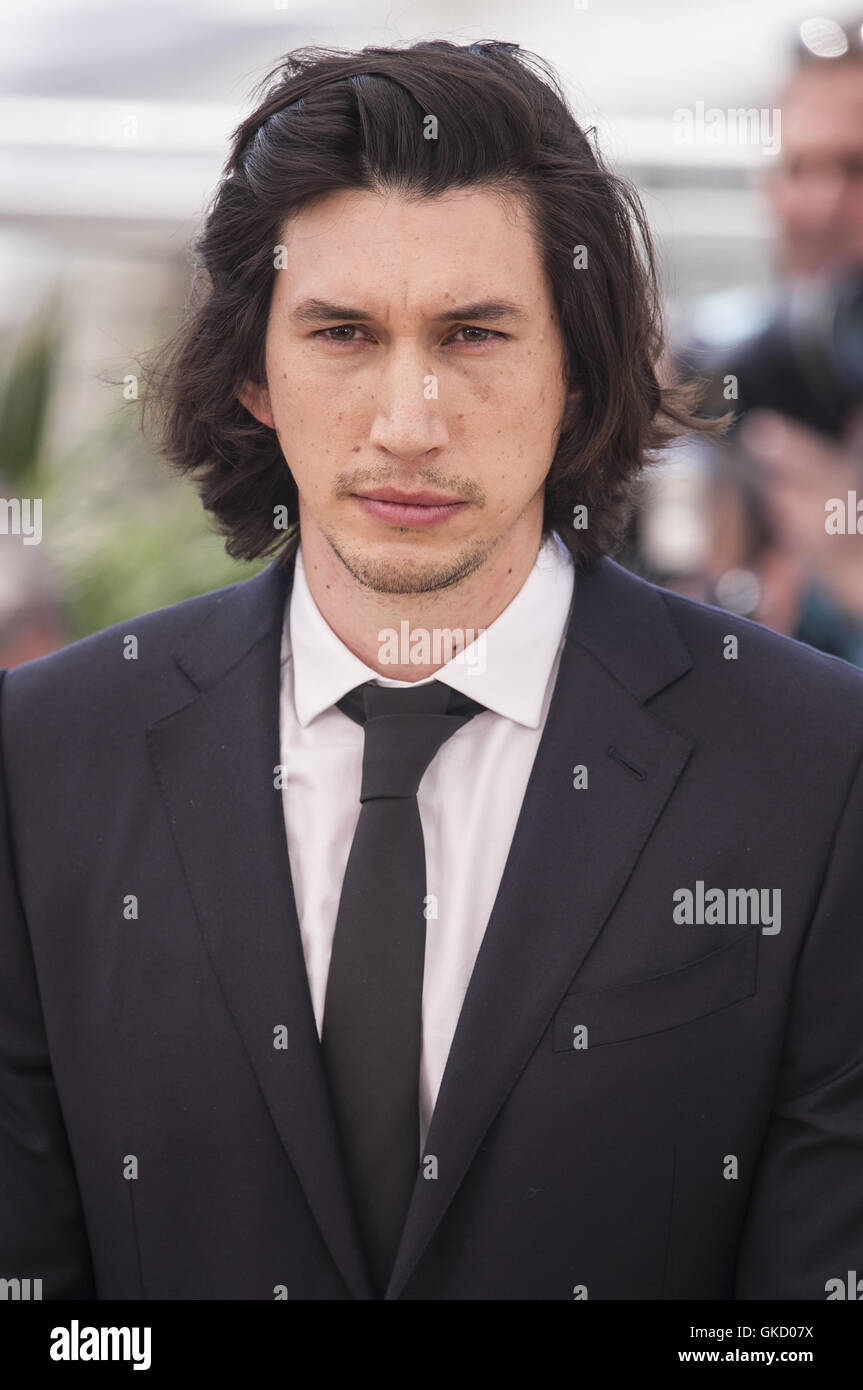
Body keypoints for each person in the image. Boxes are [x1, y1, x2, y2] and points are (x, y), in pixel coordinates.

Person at [1, 39, 862, 1302]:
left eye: (472, 334)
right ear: (253, 371)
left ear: (576, 368)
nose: (408, 419)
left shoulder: (814, 770)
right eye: (341, 332)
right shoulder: (43, 762)